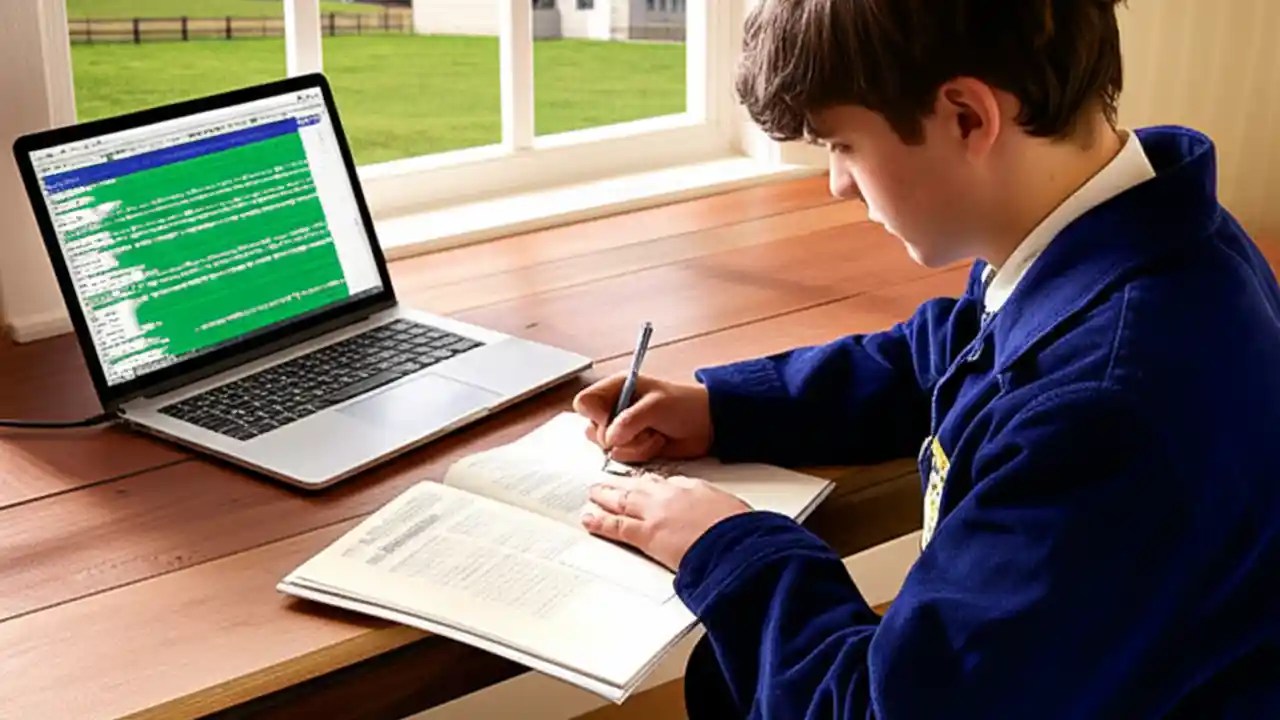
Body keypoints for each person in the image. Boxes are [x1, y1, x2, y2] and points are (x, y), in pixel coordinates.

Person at [571, 0, 1280, 717]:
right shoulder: (1132, 237)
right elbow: (947, 350)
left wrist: (730, 547)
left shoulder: (1100, 410)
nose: (837, 184)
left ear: (968, 117)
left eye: (842, 146)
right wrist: (730, 408)